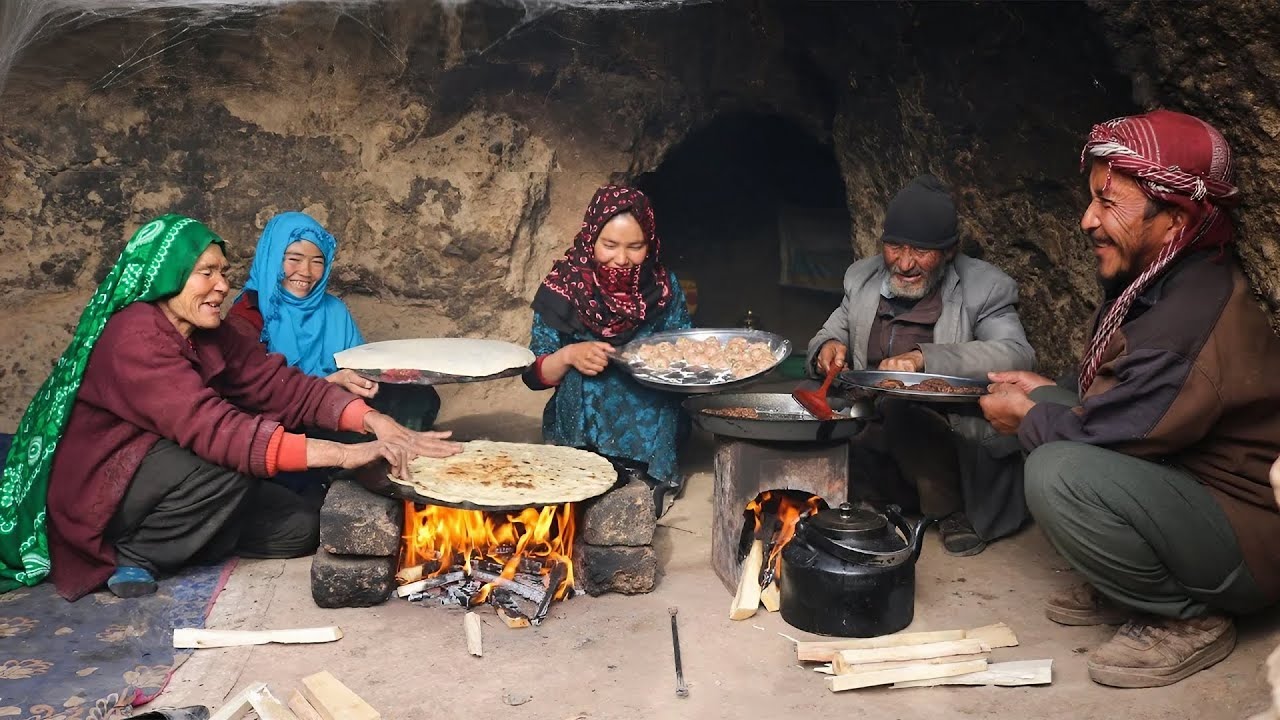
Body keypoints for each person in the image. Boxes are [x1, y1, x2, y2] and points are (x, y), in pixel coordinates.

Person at [0, 215, 460, 601]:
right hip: (111, 485)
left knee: (300, 528)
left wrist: (376, 421)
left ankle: (194, 530)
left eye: (223, 272)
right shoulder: (135, 337)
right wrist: (347, 453)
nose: (222, 286)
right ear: (168, 277)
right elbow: (220, 431)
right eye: (207, 273)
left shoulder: (211, 331)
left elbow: (283, 387)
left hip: (179, 472)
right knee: (232, 464)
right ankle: (132, 553)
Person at [980, 110, 1280, 688]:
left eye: (1108, 202)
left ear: (1175, 220)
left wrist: (1028, 417)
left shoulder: (1187, 320)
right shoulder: (1171, 277)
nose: (1087, 219)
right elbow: (1124, 399)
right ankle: (1132, 580)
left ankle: (1185, 616)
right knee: (1053, 400)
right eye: (1092, 198)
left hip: (1250, 541)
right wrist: (1043, 392)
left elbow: (1111, 428)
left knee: (1056, 470)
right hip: (1192, 485)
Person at [807, 174, 1036, 556]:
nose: (904, 263)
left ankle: (948, 510)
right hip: (873, 423)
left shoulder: (986, 288)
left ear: (949, 251)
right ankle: (868, 501)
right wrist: (826, 348)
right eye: (894, 247)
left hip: (943, 437)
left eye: (921, 251)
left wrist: (924, 359)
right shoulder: (862, 279)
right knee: (816, 413)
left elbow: (1015, 353)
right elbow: (831, 331)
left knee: (903, 410)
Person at [522, 185, 692, 515]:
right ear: (591, 240)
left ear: (650, 244)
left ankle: (650, 478)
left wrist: (657, 361)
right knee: (586, 381)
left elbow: (685, 356)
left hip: (651, 412)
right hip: (582, 413)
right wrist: (570, 355)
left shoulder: (664, 288)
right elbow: (534, 375)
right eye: (610, 245)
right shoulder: (564, 286)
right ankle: (583, 464)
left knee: (661, 396)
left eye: (635, 247)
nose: (622, 259)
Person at [226, 211, 441, 433]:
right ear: (272, 258)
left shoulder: (333, 310)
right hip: (283, 417)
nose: (306, 272)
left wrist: (368, 379)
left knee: (418, 397)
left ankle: (399, 443)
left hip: (335, 404)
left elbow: (359, 369)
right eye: (294, 259)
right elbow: (254, 396)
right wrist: (330, 383)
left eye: (317, 262)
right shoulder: (249, 314)